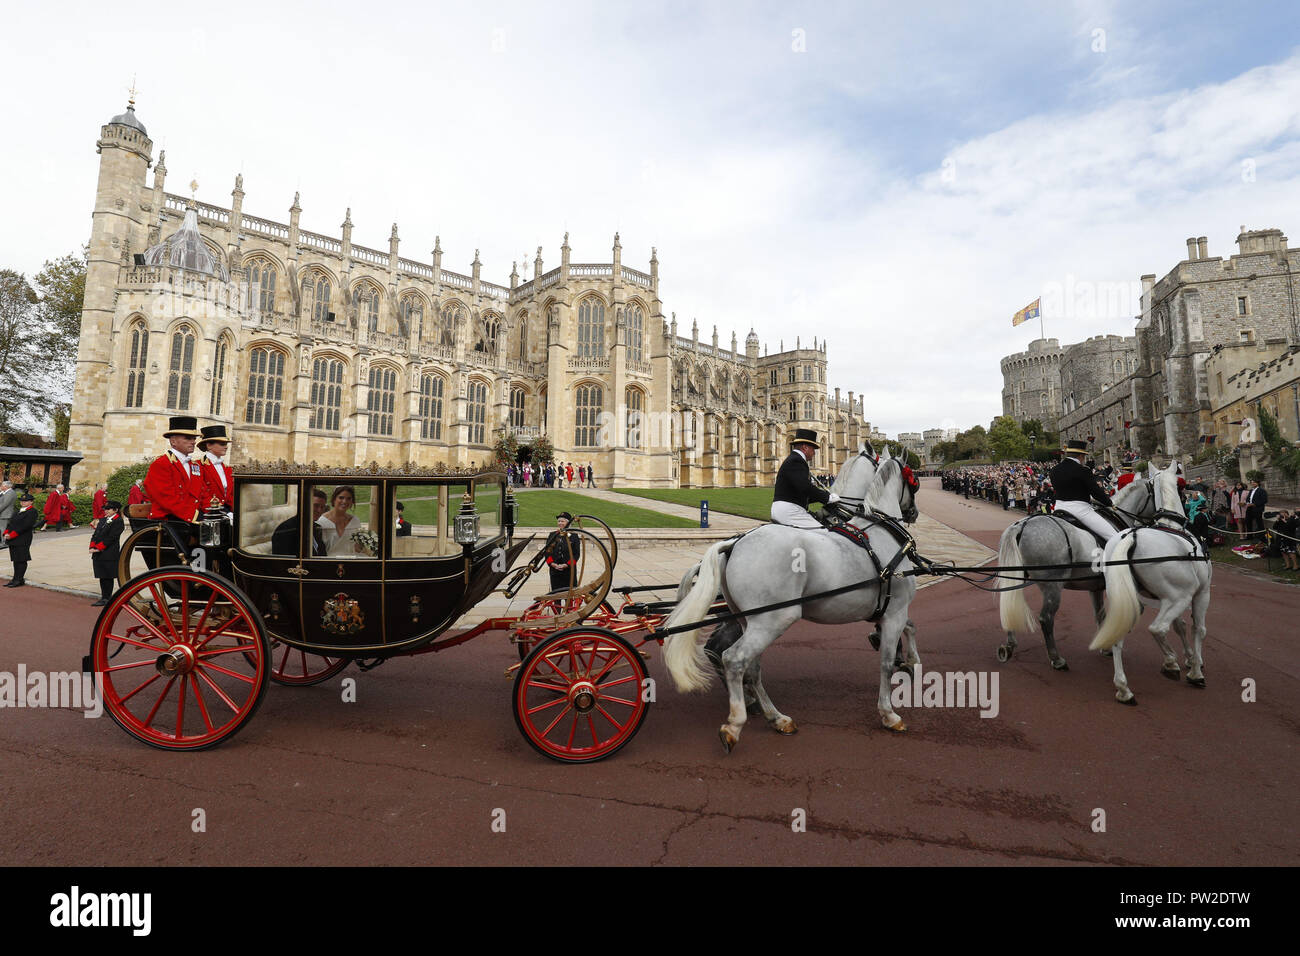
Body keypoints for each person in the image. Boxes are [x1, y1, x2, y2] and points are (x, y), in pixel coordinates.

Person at [1049, 440, 1117, 543]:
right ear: (1081, 456)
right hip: (1080, 510)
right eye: (1084, 456)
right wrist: (1109, 503)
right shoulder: (1083, 470)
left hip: (1058, 508)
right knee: (1115, 537)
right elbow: (1095, 492)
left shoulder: (1054, 470)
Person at [144, 416, 208, 523]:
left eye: (194, 438)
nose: (193, 442)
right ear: (173, 441)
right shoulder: (161, 464)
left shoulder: (195, 465)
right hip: (169, 519)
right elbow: (166, 498)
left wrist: (215, 512)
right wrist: (194, 516)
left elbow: (202, 493)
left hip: (189, 518)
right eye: (188, 438)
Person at [772, 428, 839, 530]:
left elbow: (801, 493)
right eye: (813, 449)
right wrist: (828, 498)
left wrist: (823, 499)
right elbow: (805, 487)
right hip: (789, 510)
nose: (814, 453)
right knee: (823, 532)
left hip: (788, 508)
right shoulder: (796, 461)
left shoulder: (794, 459)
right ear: (805, 447)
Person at [88, 499, 125, 606]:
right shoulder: (103, 520)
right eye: (105, 509)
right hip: (98, 552)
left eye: (108, 509)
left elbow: (112, 537)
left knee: (108, 575)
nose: (106, 511)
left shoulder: (118, 521)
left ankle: (106, 597)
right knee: (101, 574)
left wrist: (99, 547)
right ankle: (104, 596)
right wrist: (92, 546)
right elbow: (96, 534)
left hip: (109, 552)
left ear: (116, 510)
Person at [272, 488, 328, 557]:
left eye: (322, 507)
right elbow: (282, 561)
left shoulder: (316, 527)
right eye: (315, 506)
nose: (319, 510)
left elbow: (322, 555)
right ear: (305, 505)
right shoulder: (286, 529)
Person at [196, 425, 234, 511]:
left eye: (226, 444)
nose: (226, 447)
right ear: (209, 445)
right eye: (222, 444)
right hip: (210, 511)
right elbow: (201, 494)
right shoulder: (199, 466)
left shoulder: (227, 469)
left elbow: (230, 495)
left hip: (227, 510)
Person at [317, 485, 363, 556]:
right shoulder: (322, 521)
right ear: (334, 499)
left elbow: (358, 548)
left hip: (351, 561)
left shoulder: (354, 521)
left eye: (349, 498)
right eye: (341, 498)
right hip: (327, 562)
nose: (344, 501)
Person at [4, 492, 37, 587]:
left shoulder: (32, 512)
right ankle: (16, 578)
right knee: (15, 559)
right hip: (13, 538)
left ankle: (18, 579)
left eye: (25, 501)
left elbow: (25, 526)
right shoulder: (18, 511)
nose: (23, 502)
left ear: (31, 502)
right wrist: (6, 532)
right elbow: (11, 523)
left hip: (23, 538)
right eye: (22, 501)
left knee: (21, 559)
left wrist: (12, 535)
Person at [544, 512, 582, 592]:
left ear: (568, 523)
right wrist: (552, 564)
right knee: (555, 595)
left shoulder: (574, 536)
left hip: (569, 571)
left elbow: (576, 554)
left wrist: (566, 565)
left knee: (569, 596)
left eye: (562, 521)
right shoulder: (552, 535)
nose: (560, 523)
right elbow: (547, 553)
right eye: (559, 521)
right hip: (555, 571)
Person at [0, 480, 14, 551]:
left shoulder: (10, 493)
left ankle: (4, 543)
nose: (1, 486)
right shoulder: (5, 492)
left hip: (5, 514)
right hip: (3, 514)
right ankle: (3, 542)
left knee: (3, 529)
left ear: (6, 486)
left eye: (2, 485)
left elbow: (4, 504)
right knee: (2, 529)